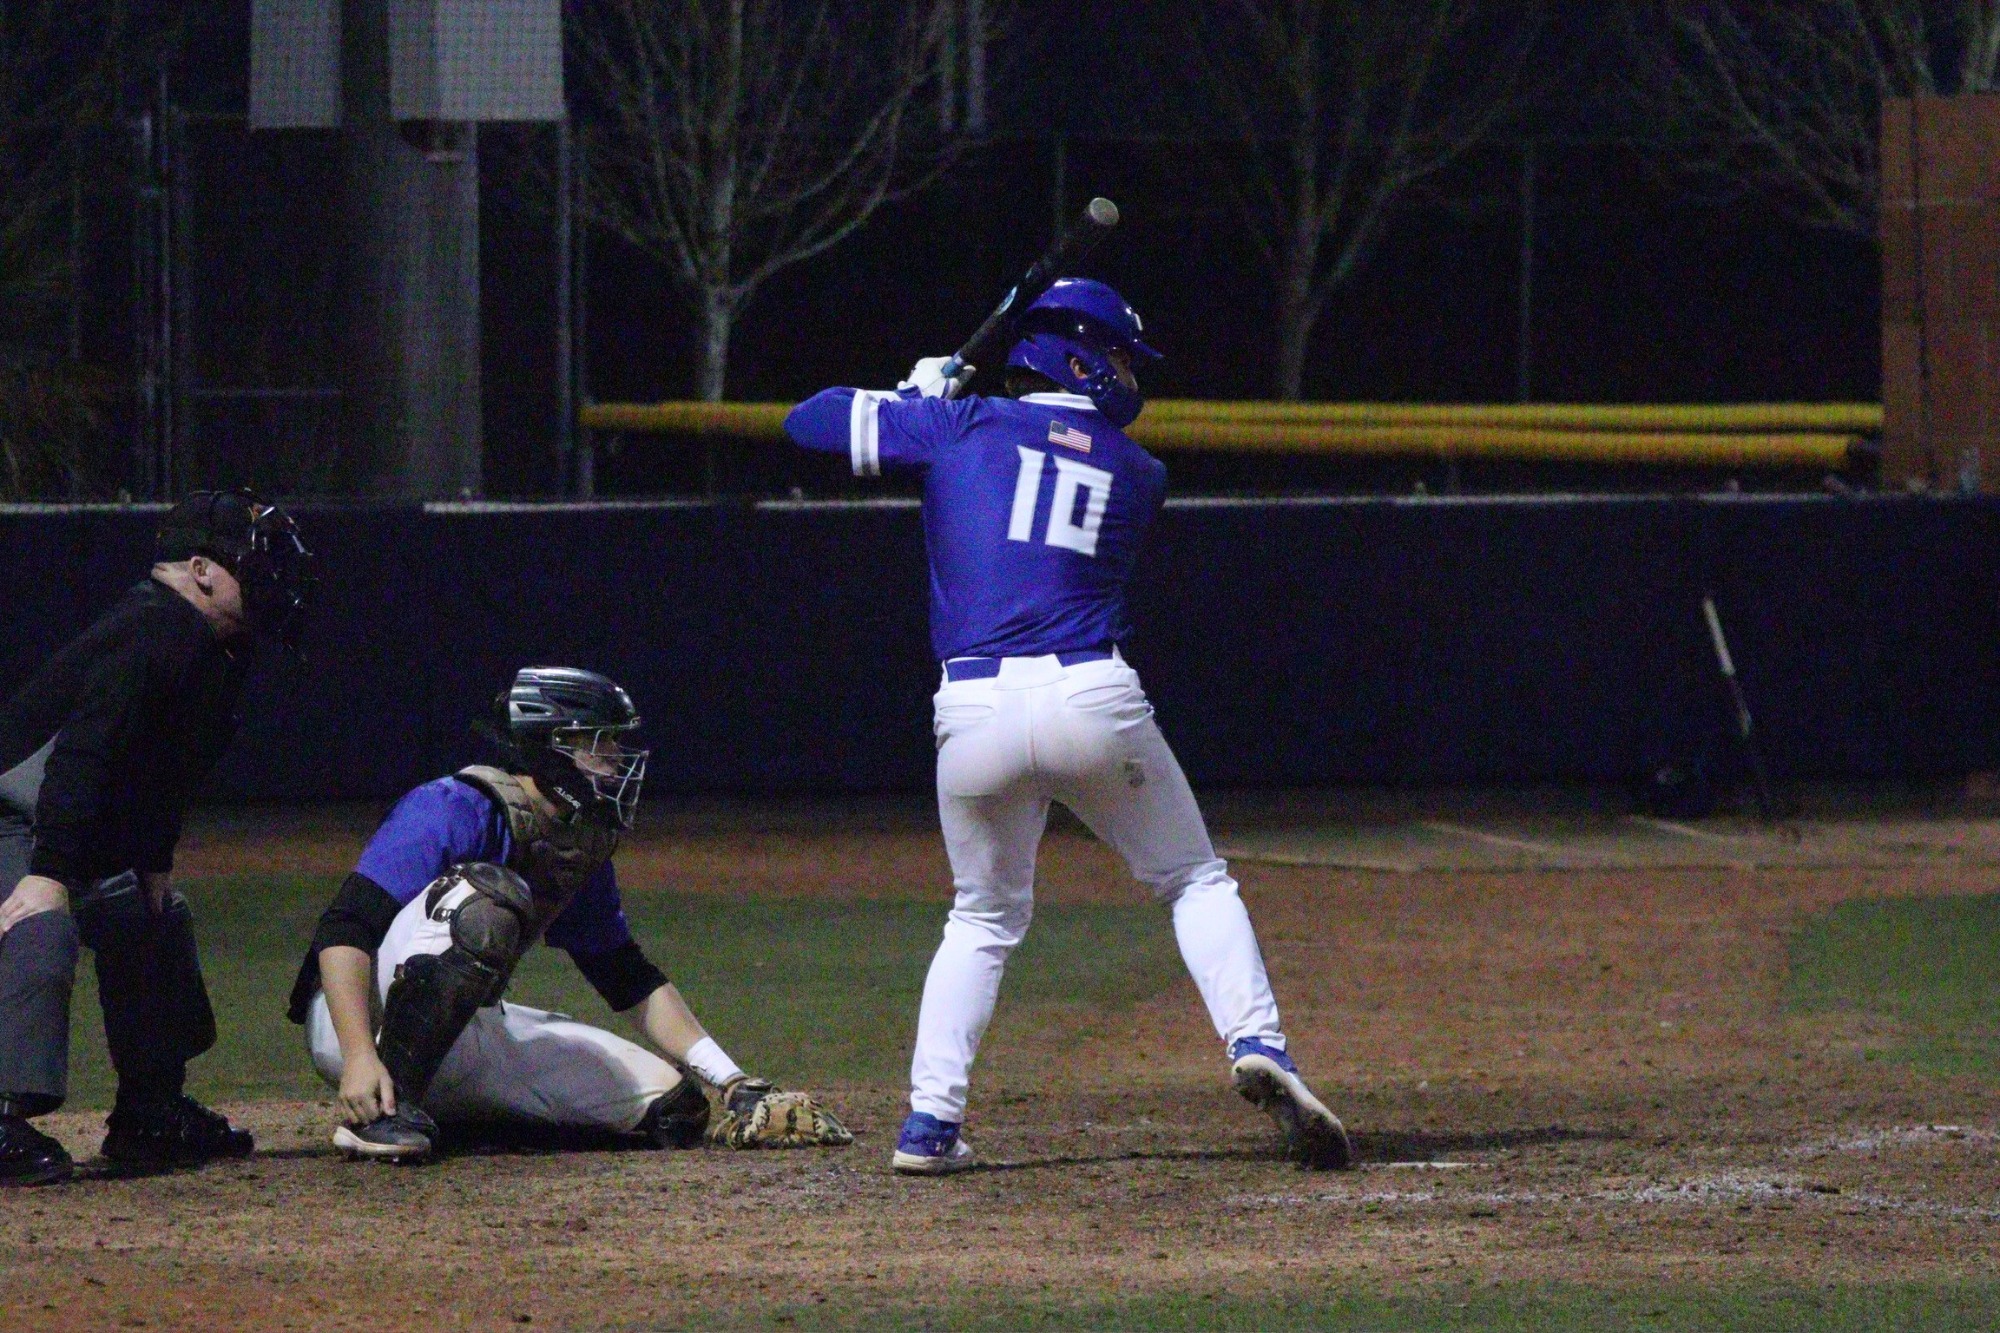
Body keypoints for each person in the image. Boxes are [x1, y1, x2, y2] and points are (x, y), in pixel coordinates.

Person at [782, 278, 1352, 1174]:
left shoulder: (957, 426)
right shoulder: (1138, 470)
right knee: (1194, 879)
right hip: (1093, 699)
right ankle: (1261, 1046)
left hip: (969, 712)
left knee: (980, 916)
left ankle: (928, 1124)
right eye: (1118, 355)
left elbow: (804, 422)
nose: (1127, 373)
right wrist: (940, 408)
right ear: (1078, 356)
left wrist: (915, 397)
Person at [289, 666, 849, 1162]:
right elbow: (344, 928)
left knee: (672, 1105)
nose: (615, 762)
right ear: (552, 749)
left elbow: (625, 975)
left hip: (462, 1029)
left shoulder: (574, 840)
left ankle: (450, 1112)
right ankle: (381, 1114)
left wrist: (731, 1082)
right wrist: (360, 1055)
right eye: (599, 746)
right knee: (489, 901)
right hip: (359, 1019)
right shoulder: (455, 805)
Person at [0, 489, 314, 1185]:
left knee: (154, 919)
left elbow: (163, 768)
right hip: (17, 814)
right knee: (39, 931)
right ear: (201, 569)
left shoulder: (213, 648)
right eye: (252, 563)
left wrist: (153, 857)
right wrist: (48, 873)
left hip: (55, 818)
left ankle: (148, 1109)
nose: (270, 578)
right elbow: (85, 752)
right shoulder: (151, 628)